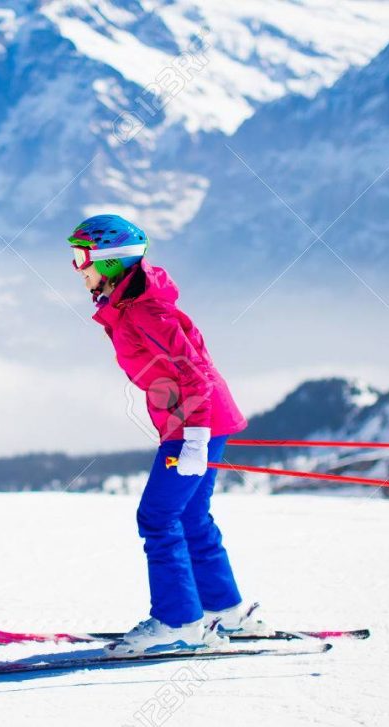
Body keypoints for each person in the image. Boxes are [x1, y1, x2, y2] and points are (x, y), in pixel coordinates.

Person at [67, 214, 264, 656]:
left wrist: (193, 436)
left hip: (195, 422)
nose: (77, 267)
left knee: (157, 517)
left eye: (81, 257)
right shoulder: (130, 302)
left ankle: (178, 623)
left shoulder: (143, 308)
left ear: (111, 262)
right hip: (197, 421)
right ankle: (225, 612)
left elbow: (193, 370)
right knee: (190, 516)